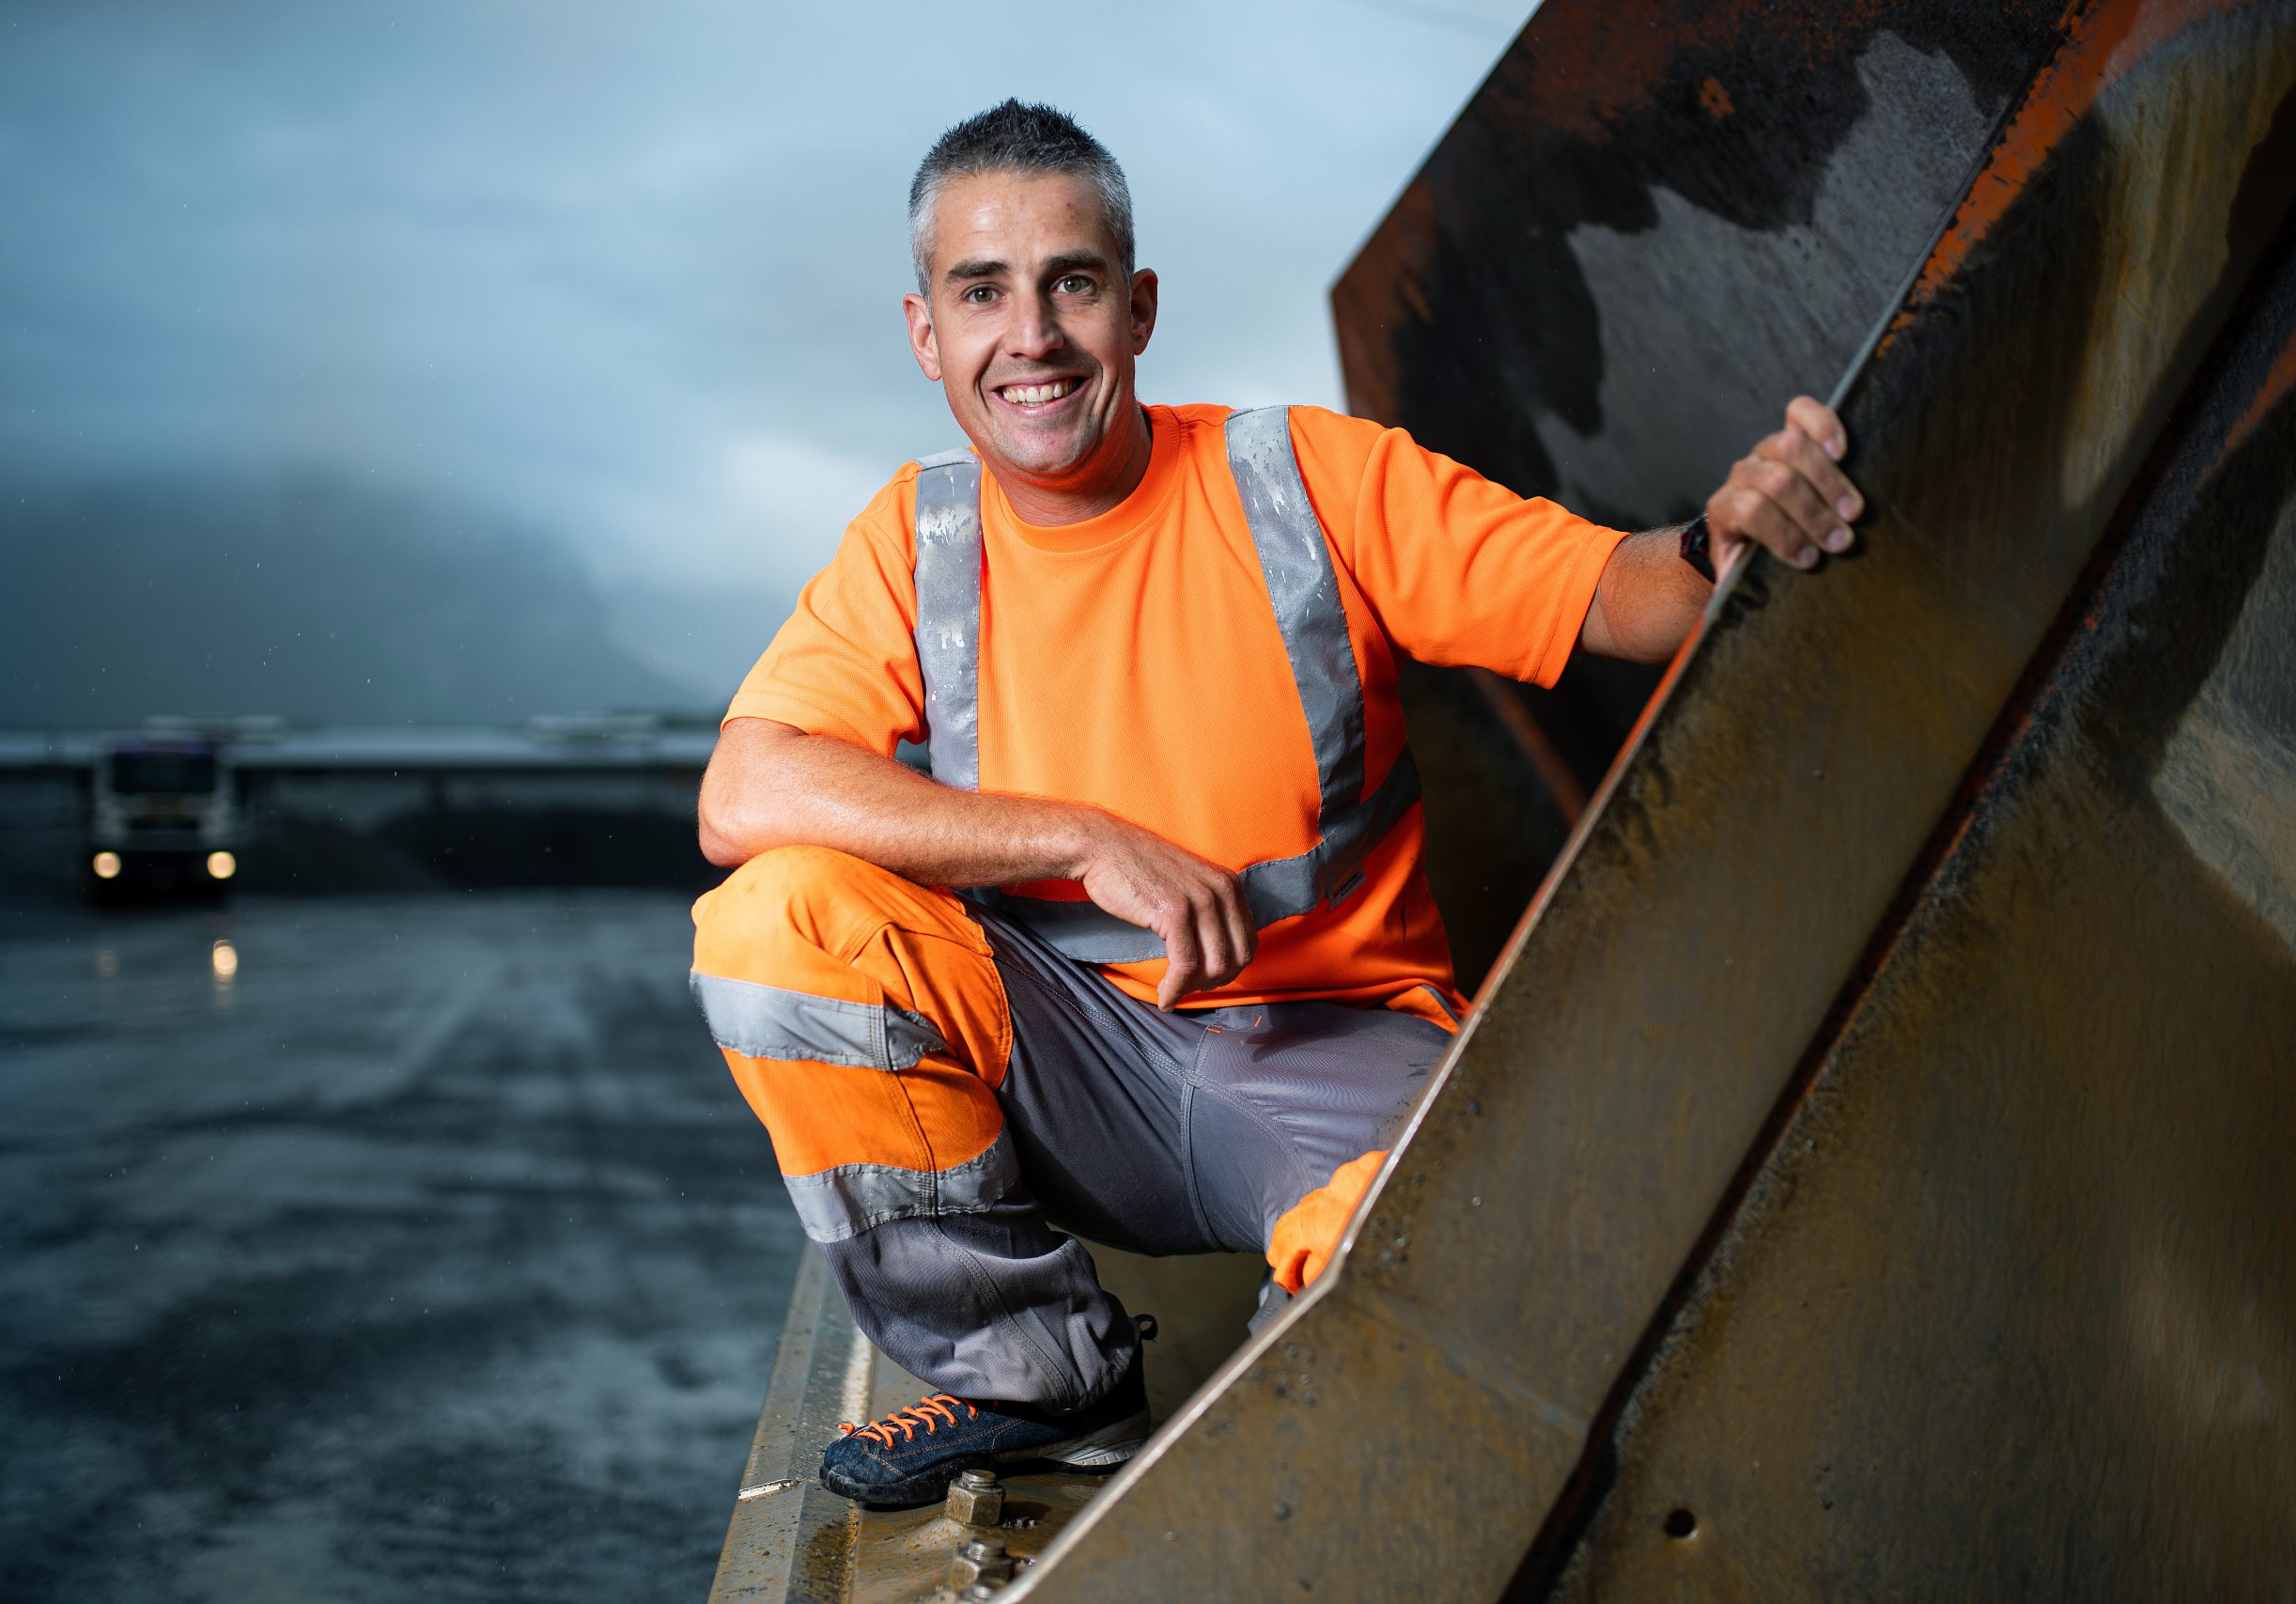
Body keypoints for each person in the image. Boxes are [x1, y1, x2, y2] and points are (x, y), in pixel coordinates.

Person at [690, 100, 1863, 1507]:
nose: (1034, 335)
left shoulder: (1305, 482)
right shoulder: (915, 539)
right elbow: (746, 789)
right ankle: (1039, 1383)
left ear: (1140, 307)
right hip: (1072, 1072)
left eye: (1072, 281)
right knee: (777, 925)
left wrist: (1714, 540)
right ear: (926, 335)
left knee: (1406, 1337)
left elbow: (1612, 594)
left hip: (1334, 1052)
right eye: (981, 292)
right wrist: (1077, 835)